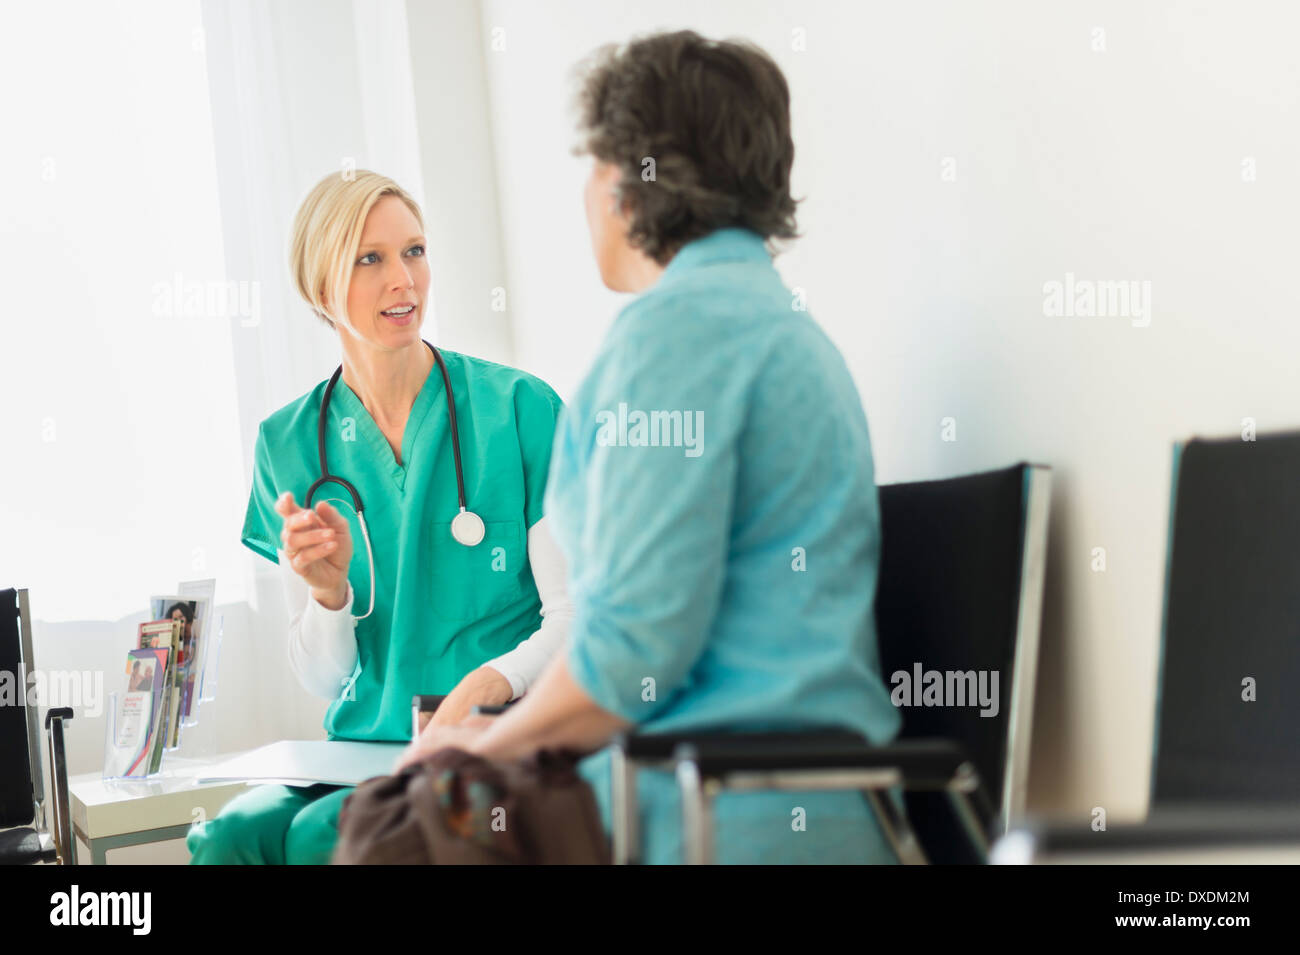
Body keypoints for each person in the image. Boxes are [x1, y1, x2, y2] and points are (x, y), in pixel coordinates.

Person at [398, 31, 903, 864]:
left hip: (703, 812)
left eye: (594, 164)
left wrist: (477, 746)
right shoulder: (784, 330)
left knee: (372, 830)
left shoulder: (678, 338)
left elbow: (630, 654)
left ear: (629, 181)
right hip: (798, 799)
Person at [188, 170, 571, 864]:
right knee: (231, 836)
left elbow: (581, 614)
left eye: (415, 251)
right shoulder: (290, 440)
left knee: (319, 837)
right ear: (319, 286)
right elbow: (324, 680)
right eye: (371, 258)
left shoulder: (519, 409)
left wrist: (488, 685)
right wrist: (329, 594)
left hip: (494, 743)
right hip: (358, 751)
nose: (404, 279)